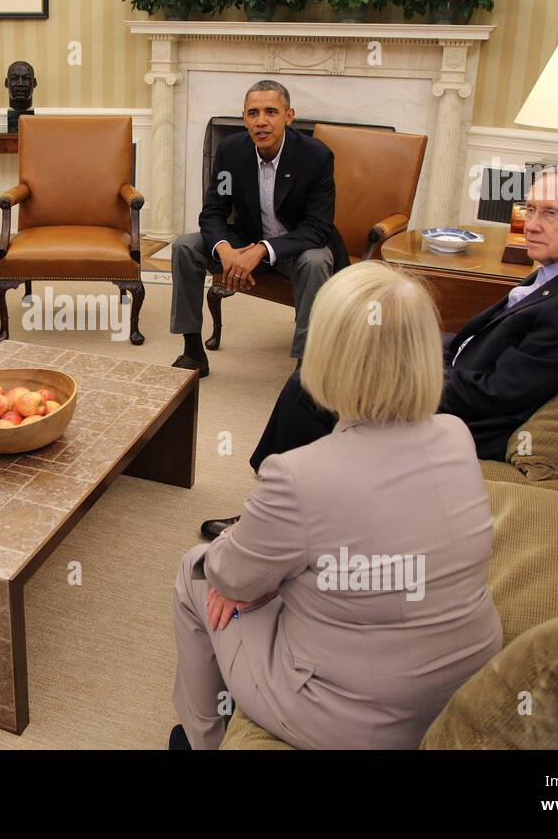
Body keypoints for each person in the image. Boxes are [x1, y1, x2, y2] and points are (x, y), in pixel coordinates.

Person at [199, 161, 558, 540]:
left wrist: (401, 372)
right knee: (343, 354)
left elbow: (497, 395)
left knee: (314, 383)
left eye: (551, 214)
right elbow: (481, 345)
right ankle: (277, 500)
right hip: (465, 377)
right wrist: (402, 344)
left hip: (475, 420)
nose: (533, 224)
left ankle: (269, 516)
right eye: (531, 209)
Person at [171, 260, 503, 750]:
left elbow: (230, 576)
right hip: (464, 683)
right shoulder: (456, 435)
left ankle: (202, 739)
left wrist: (227, 572)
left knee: (193, 574)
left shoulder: (299, 475)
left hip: (355, 719)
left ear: (325, 354)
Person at [170, 80, 348, 377]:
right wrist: (225, 250)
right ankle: (192, 351)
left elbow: (318, 228)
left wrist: (263, 251)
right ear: (244, 118)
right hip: (246, 239)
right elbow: (214, 210)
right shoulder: (230, 152)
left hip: (298, 249)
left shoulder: (316, 157)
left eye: (271, 112)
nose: (261, 121)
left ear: (289, 116)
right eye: (253, 113)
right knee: (184, 246)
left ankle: (307, 364)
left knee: (317, 260)